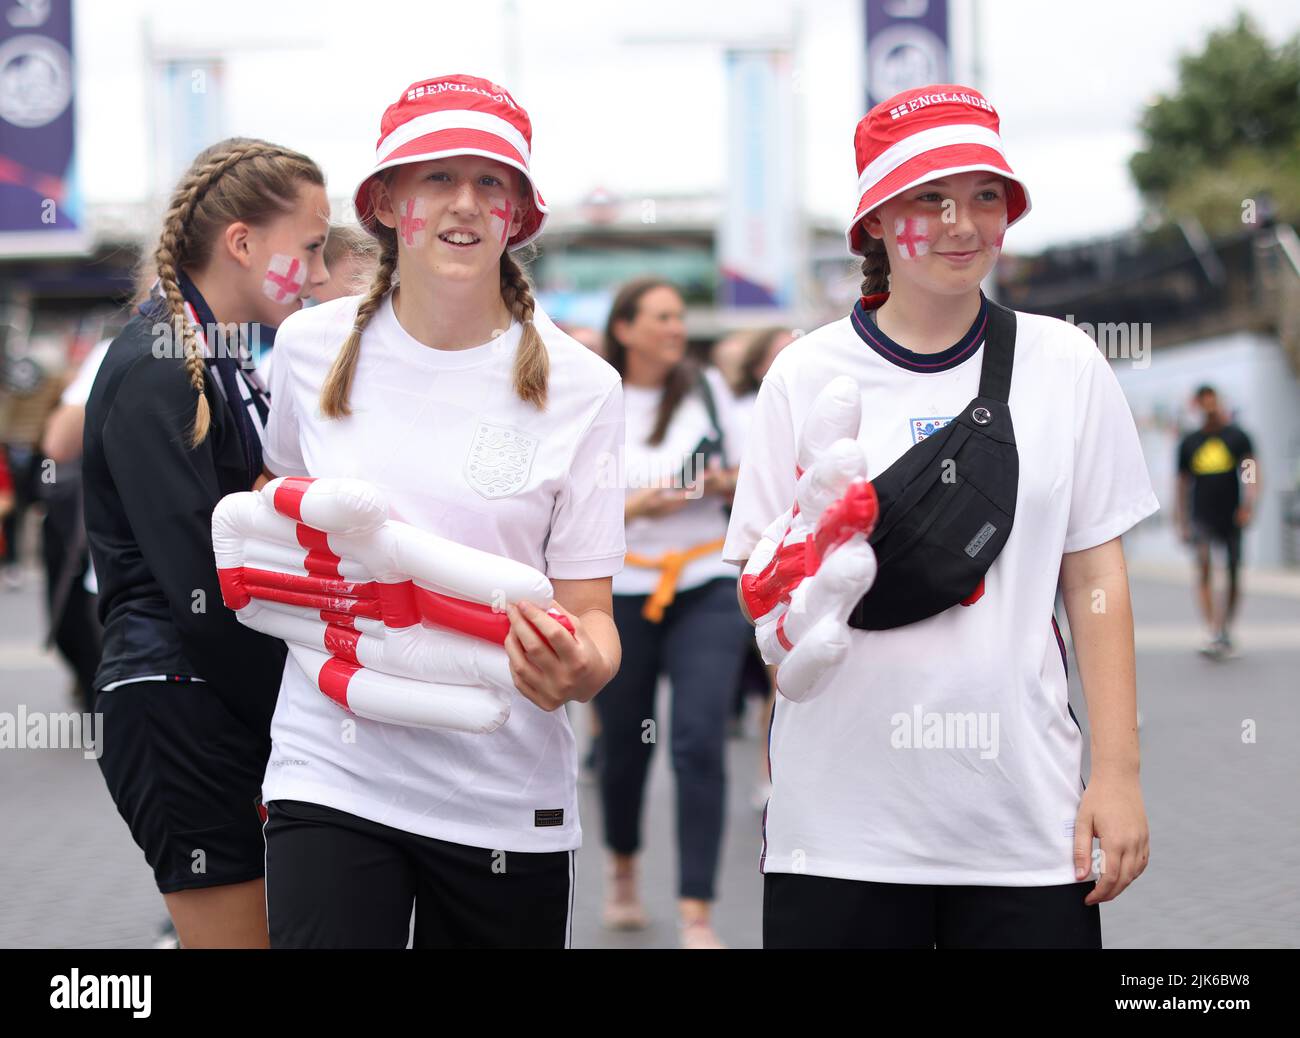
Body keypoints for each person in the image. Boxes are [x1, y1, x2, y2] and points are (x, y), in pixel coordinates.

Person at [723, 85, 1157, 949]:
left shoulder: (1065, 365)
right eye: (932, 197)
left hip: (1023, 828)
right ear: (877, 220)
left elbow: (1095, 576)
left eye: (985, 195)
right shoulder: (805, 376)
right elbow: (762, 590)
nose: (963, 222)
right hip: (841, 830)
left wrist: (1117, 773)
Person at [259, 74, 624, 949]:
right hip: (333, 769)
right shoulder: (307, 348)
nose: (464, 203)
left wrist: (579, 669)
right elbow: (280, 528)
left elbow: (592, 617)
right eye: (436, 177)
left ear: (519, 214)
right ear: (386, 202)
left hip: (501, 795)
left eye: (490, 181)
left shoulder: (583, 387)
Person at [82, 137, 329, 948]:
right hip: (175, 700)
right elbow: (198, 582)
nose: (321, 275)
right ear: (243, 242)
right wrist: (305, 705)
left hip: (204, 694)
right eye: (314, 248)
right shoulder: (159, 360)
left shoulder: (217, 358)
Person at [595, 276, 750, 949]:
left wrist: (715, 483)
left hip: (706, 580)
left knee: (696, 740)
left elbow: (755, 473)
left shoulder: (710, 389)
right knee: (624, 747)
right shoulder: (595, 397)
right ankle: (623, 868)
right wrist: (638, 506)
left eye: (680, 315)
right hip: (622, 588)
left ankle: (696, 909)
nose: (675, 328)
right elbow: (566, 500)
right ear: (624, 327)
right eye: (660, 316)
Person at [1175, 385, 1258, 658]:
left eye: (1214, 404)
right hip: (1202, 515)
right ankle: (1212, 628)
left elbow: (1249, 469)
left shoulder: (1237, 437)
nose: (1210, 410)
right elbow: (1182, 484)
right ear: (1198, 407)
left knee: (1233, 571)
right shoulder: (1190, 443)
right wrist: (1182, 519)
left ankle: (1225, 627)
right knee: (1204, 565)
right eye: (1204, 405)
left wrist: (1248, 503)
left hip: (1231, 514)